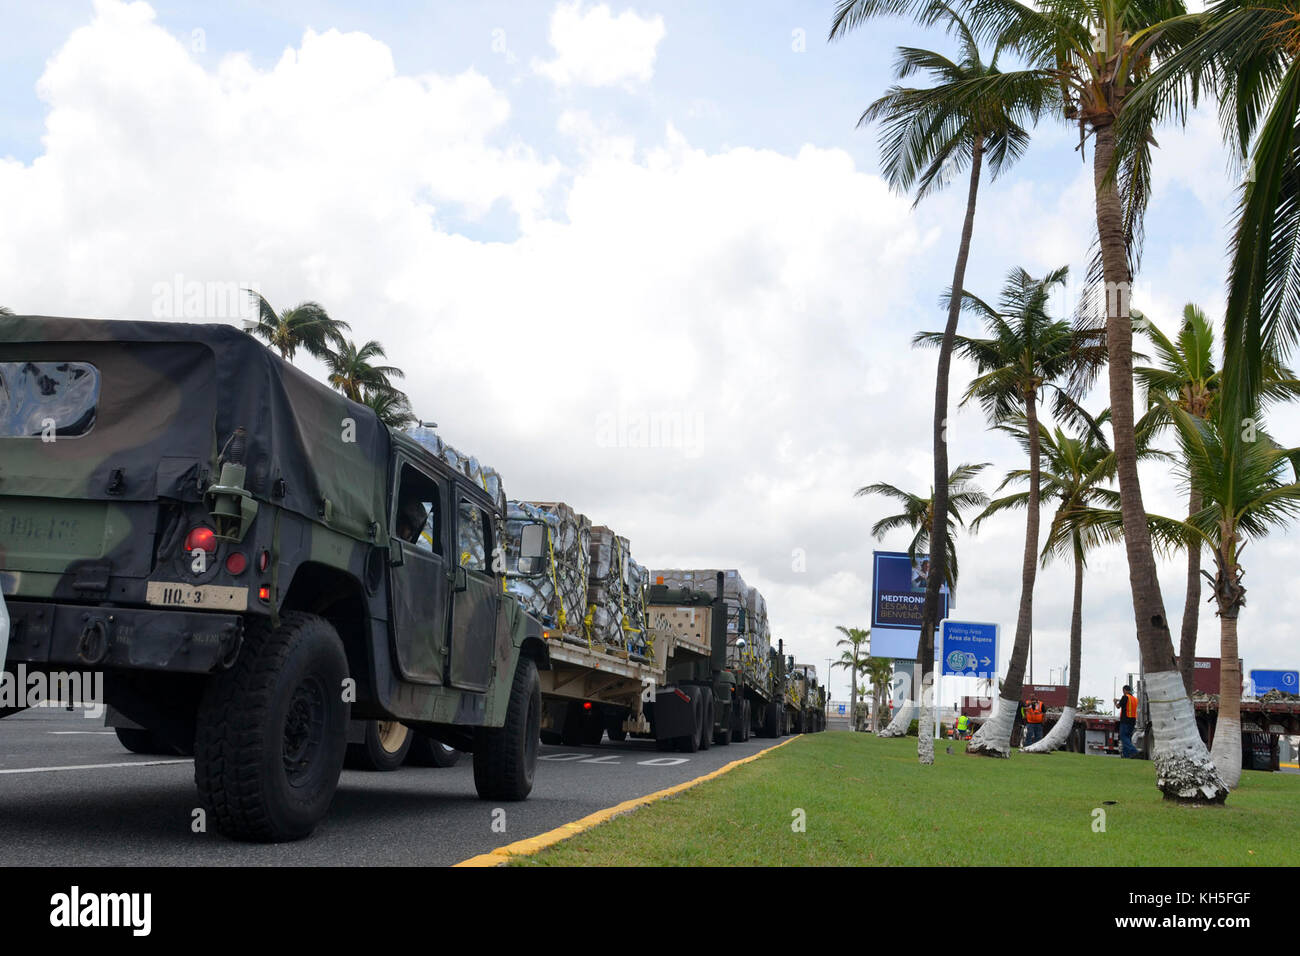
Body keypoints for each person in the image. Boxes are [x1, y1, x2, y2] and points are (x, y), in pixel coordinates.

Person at [1116, 685, 1139, 757]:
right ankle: (1126, 755)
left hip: (1125, 720)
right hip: (1133, 721)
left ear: (1125, 690)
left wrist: (1115, 702)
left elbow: (1118, 706)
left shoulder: (1125, 697)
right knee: (1128, 737)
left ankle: (1134, 750)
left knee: (1123, 737)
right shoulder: (1135, 699)